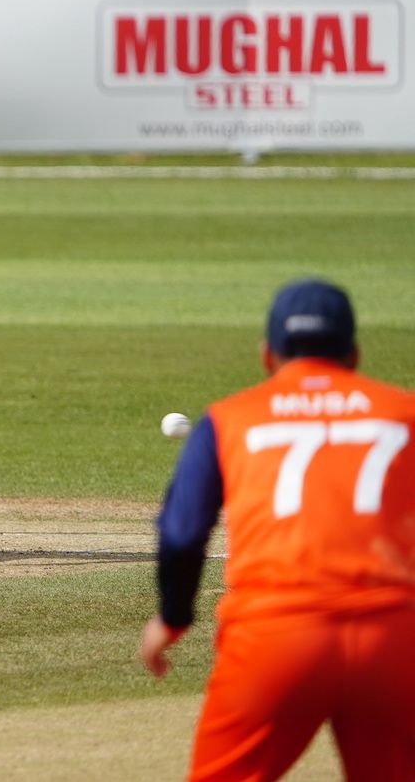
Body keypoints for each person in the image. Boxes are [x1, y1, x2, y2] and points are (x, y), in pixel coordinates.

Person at [139, 278, 415, 781]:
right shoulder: (406, 413)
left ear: (267, 354)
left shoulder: (229, 419)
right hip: (393, 639)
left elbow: (181, 534)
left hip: (275, 637)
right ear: (353, 353)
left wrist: (173, 619)